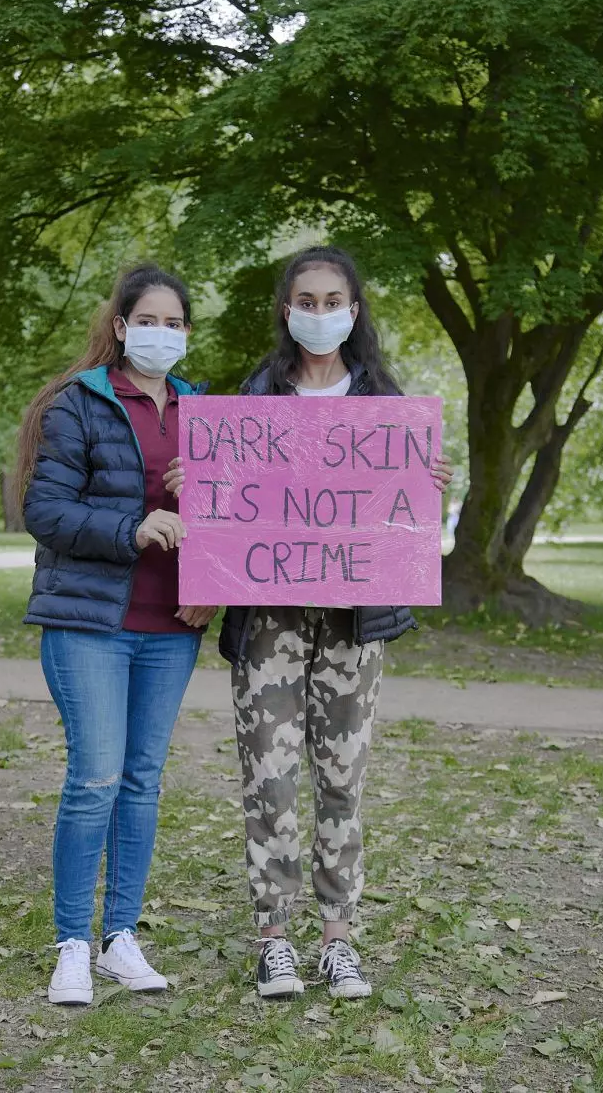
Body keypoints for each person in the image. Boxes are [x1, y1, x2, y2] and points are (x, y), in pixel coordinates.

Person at [217, 246, 454, 1000]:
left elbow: (405, 523)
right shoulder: (256, 399)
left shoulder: (387, 405)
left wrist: (429, 489)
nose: (321, 313)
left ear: (356, 310)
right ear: (287, 311)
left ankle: (339, 939)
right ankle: (274, 939)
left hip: (355, 624)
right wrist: (202, 481)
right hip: (268, 624)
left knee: (342, 783)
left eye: (334, 300)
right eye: (307, 301)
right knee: (270, 781)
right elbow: (226, 503)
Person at [16, 264, 217, 1007]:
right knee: (94, 779)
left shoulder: (208, 411)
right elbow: (47, 511)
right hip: (89, 623)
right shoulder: (79, 402)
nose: (162, 333)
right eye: (149, 320)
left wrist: (210, 586)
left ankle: (121, 939)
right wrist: (132, 527)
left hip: (173, 628)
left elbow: (238, 518)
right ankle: (73, 942)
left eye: (176, 322)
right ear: (123, 325)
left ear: (186, 333)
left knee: (141, 783)